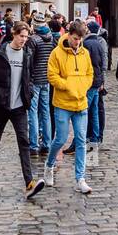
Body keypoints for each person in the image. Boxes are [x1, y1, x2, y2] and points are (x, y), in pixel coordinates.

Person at [0, 21, 44, 199]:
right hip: (1, 105)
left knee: (24, 141)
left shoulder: (28, 54)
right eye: (21, 36)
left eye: (26, 37)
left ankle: (29, 182)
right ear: (13, 34)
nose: (24, 40)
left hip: (19, 106)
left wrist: (29, 93)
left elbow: (29, 76)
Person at [44, 20, 94, 194]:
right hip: (63, 103)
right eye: (74, 38)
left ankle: (80, 178)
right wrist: (67, 85)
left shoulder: (85, 53)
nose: (77, 42)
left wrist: (83, 86)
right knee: (60, 139)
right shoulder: (56, 53)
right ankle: (49, 166)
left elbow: (90, 74)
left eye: (80, 39)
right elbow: (51, 75)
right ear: (69, 35)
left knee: (81, 140)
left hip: (81, 103)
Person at [27, 20, 54, 156]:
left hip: (35, 79)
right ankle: (47, 144)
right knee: (45, 112)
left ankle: (33, 145)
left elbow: (29, 61)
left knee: (33, 112)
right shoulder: (50, 39)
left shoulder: (33, 40)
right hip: (46, 78)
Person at [84, 18, 107, 161]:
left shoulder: (86, 44)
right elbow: (103, 62)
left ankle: (86, 137)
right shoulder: (99, 43)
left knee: (85, 110)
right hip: (97, 81)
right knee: (94, 111)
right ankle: (96, 137)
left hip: (90, 81)